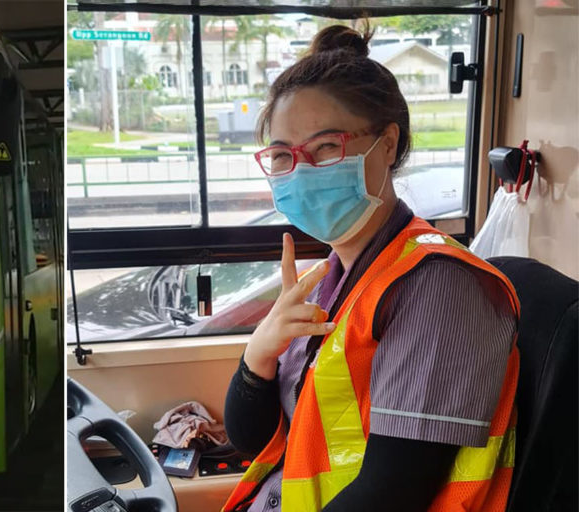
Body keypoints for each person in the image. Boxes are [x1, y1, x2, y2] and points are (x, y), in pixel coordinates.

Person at [221, 24, 519, 512]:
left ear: (386, 144)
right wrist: (258, 356)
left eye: (325, 148)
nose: (301, 171)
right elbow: (257, 444)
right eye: (282, 155)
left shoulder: (441, 286)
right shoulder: (332, 279)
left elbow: (393, 493)